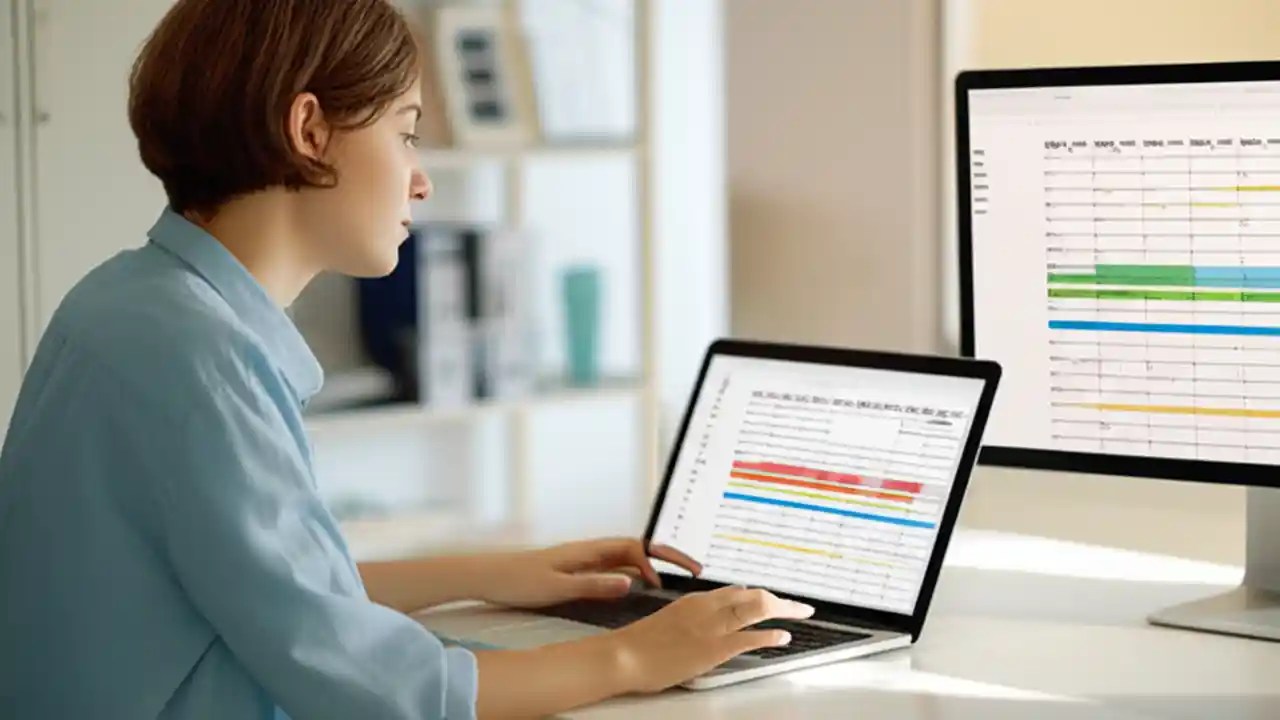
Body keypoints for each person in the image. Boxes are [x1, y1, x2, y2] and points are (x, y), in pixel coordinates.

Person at [0, 1, 814, 718]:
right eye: (405, 132)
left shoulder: (132, 301)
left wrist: (489, 573)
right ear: (310, 130)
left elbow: (264, 593)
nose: (421, 181)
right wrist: (634, 656)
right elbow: (380, 690)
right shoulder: (202, 355)